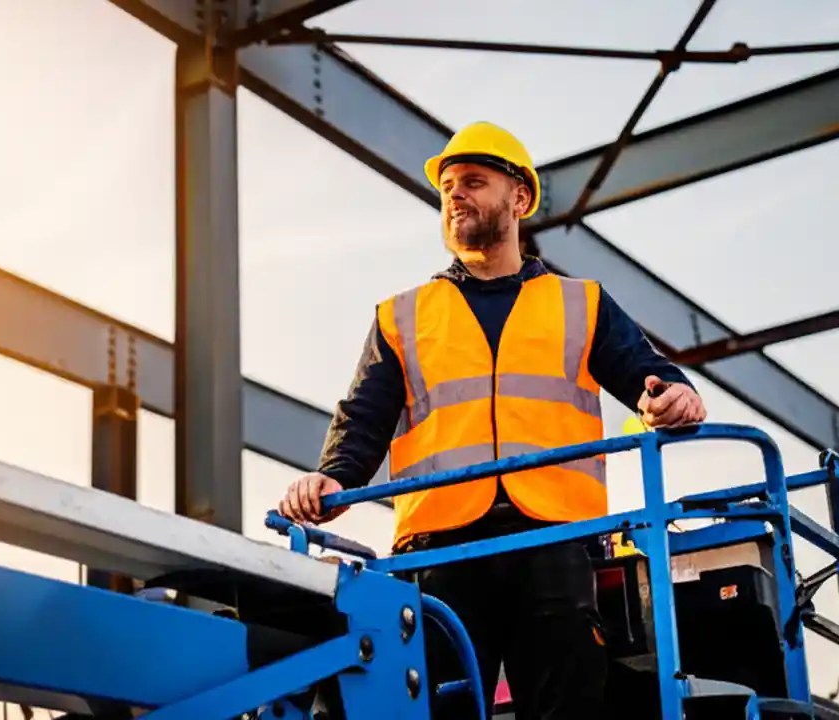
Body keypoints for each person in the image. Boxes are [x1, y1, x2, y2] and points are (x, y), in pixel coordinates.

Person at [277, 121, 706, 719]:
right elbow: (362, 419)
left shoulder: (580, 303)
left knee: (568, 707)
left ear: (520, 199)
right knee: (439, 708)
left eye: (474, 182)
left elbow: (651, 376)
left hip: (554, 540)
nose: (455, 195)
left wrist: (677, 397)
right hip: (441, 549)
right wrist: (330, 477)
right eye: (448, 186)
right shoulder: (403, 316)